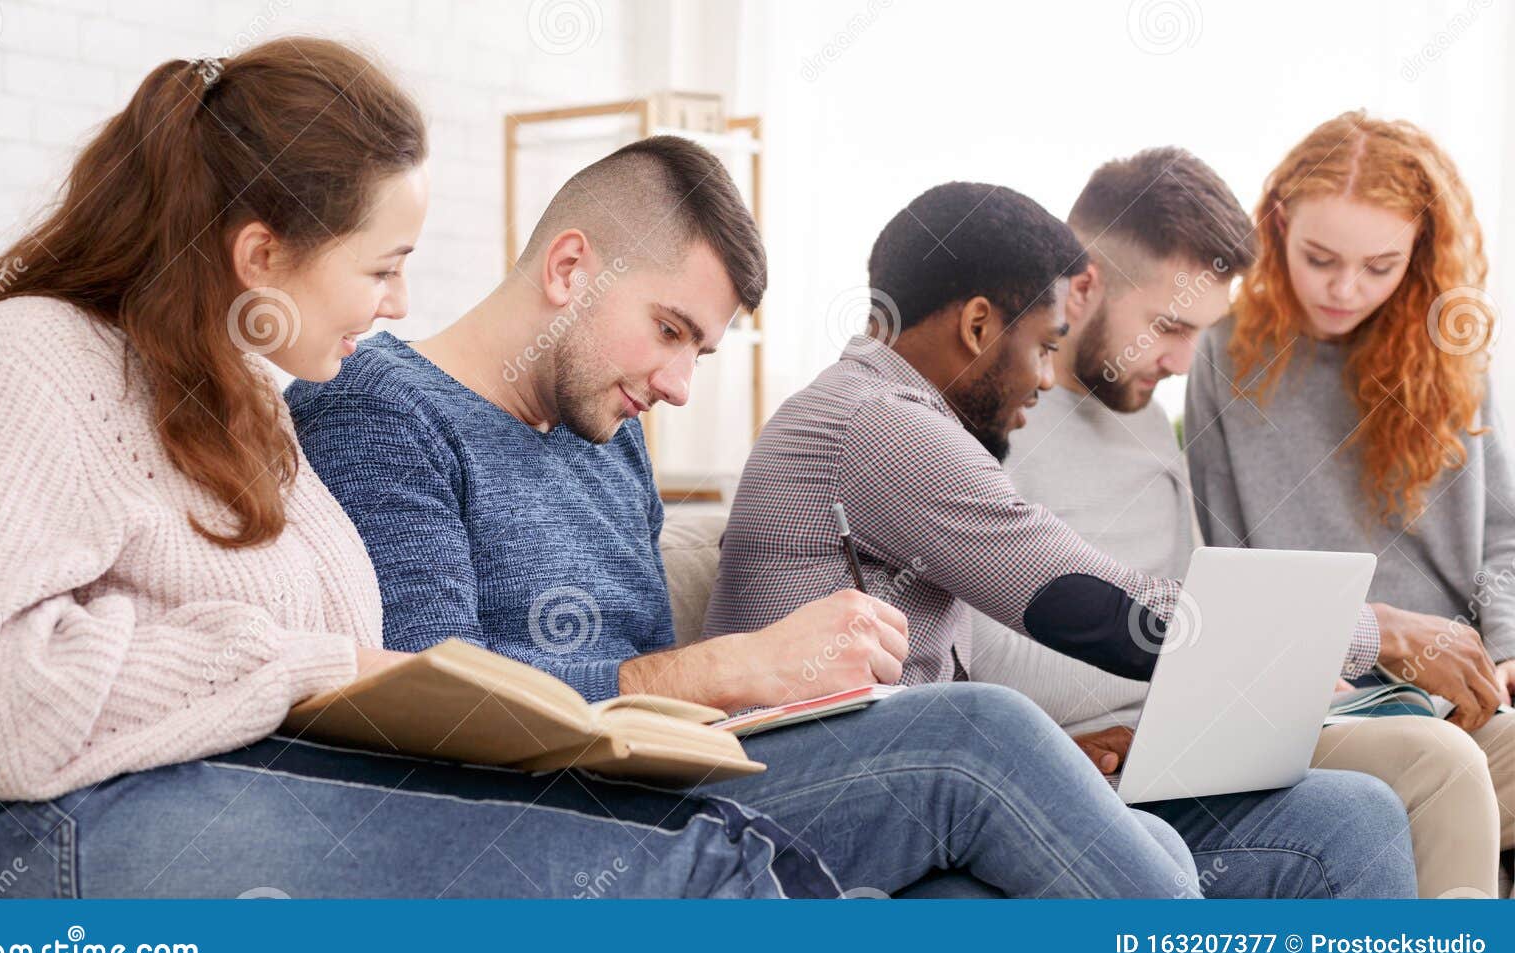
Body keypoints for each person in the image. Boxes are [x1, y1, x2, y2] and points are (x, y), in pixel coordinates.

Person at [0, 39, 842, 900]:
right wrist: (295, 663)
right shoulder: (26, 363)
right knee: (692, 869)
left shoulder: (242, 399)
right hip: (64, 826)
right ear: (261, 255)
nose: (398, 302)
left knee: (720, 840)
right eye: (383, 267)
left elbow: (337, 662)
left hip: (238, 781)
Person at [289, 136, 1208, 898]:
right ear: (570, 267)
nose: (681, 385)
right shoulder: (382, 405)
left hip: (680, 784)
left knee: (1129, 857)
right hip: (547, 827)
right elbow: (426, 704)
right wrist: (735, 667)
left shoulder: (606, 433)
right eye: (671, 329)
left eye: (702, 349)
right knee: (981, 737)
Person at [706, 179, 1418, 898]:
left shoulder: (912, 422)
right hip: (796, 794)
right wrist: (1367, 632)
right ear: (980, 325)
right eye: (1044, 345)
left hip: (905, 779)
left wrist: (1053, 758)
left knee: (1353, 820)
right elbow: (1100, 611)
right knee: (993, 730)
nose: (1049, 377)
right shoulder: (882, 423)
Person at [969, 146, 1512, 898]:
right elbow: (989, 642)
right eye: (1169, 325)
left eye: (1199, 331)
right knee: (1436, 769)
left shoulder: (1140, 412)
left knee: (1439, 763)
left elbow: (1198, 591)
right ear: (1085, 282)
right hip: (1155, 741)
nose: (1188, 362)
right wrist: (1355, 633)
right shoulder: (993, 419)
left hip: (1216, 721)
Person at [1184, 111, 1515, 889]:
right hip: (1321, 700)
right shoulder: (1225, 355)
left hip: (1459, 686)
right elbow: (1222, 560)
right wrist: (1303, 659)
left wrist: (1506, 648)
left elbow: (1503, 532)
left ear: (1421, 253)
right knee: (1441, 774)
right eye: (1320, 258)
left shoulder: (1453, 348)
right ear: (1277, 226)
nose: (1344, 288)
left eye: (1380, 265)